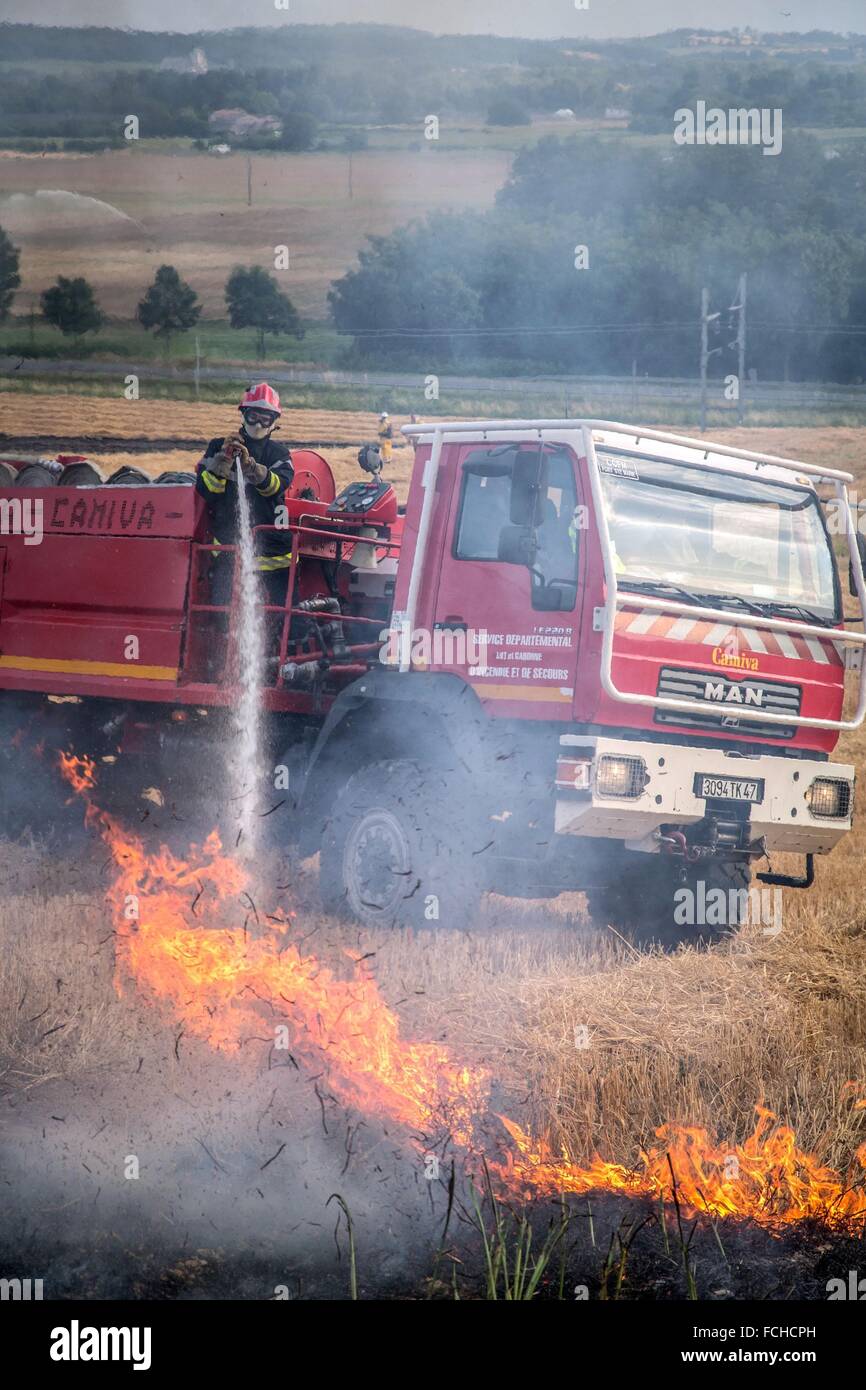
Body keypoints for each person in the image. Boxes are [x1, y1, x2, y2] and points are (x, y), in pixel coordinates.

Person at [195, 383, 295, 661]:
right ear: (243, 414)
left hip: (273, 559)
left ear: (275, 422)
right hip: (229, 554)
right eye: (254, 415)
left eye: (267, 417)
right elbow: (207, 490)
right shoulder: (218, 447)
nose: (259, 423)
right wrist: (221, 463)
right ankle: (225, 664)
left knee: (276, 620)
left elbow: (276, 485)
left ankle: (267, 665)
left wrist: (252, 469)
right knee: (223, 614)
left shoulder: (280, 455)